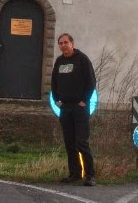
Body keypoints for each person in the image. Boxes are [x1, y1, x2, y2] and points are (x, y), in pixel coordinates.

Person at [51, 32, 96, 186]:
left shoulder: (82, 59)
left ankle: (90, 175)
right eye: (60, 43)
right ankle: (75, 174)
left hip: (79, 108)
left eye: (65, 42)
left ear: (72, 43)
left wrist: (84, 101)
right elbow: (54, 83)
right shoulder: (59, 61)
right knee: (69, 143)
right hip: (65, 108)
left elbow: (91, 81)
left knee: (81, 142)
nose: (63, 45)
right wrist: (57, 100)